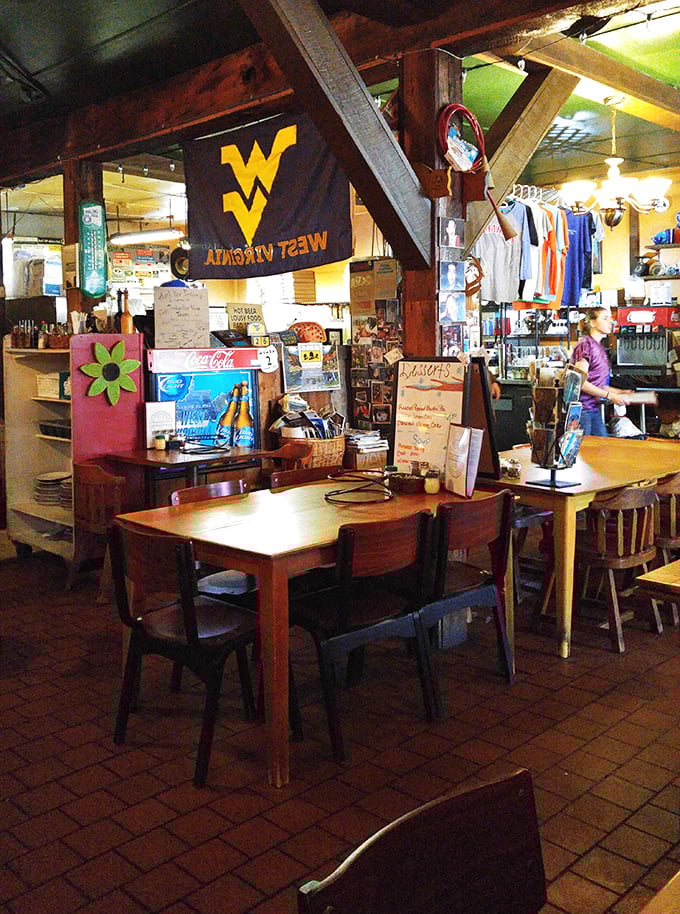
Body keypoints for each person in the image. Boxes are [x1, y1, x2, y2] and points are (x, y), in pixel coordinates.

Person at [570, 306, 631, 437]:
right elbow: (580, 381)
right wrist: (609, 395)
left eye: (610, 318)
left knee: (601, 449)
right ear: (592, 322)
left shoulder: (599, 347)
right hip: (582, 410)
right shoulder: (585, 345)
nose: (610, 322)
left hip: (593, 409)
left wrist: (620, 393)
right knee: (586, 452)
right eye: (605, 318)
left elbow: (597, 384)